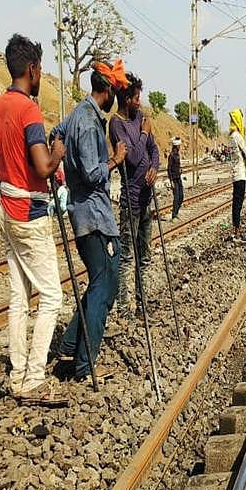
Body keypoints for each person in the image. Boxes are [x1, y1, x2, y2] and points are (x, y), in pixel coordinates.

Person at [0, 34, 67, 404]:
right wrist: (57, 152)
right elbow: (42, 167)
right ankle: (34, 377)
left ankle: (18, 375)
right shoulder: (28, 110)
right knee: (52, 296)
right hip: (30, 212)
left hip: (7, 208)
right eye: (41, 68)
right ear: (33, 69)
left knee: (19, 296)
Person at [49, 59, 128, 383]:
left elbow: (56, 132)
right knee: (104, 285)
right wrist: (115, 160)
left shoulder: (78, 115)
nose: (115, 100)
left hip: (89, 214)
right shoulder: (88, 122)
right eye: (115, 93)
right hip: (93, 216)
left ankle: (70, 345)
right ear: (106, 90)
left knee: (101, 282)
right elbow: (92, 173)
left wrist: (59, 150)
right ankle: (86, 364)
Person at [108, 72, 160, 319]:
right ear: (127, 98)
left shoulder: (140, 118)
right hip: (131, 200)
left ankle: (142, 305)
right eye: (137, 97)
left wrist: (155, 168)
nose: (140, 102)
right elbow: (133, 158)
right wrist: (144, 134)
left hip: (146, 198)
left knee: (145, 256)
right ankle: (123, 309)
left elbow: (154, 151)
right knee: (127, 256)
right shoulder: (117, 124)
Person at [227, 109, 246, 242]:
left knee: (235, 203)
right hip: (240, 174)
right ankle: (236, 232)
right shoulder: (237, 136)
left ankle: (235, 230)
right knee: (238, 204)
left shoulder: (230, 136)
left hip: (234, 174)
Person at [168, 138, 183, 220]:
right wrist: (171, 181)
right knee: (176, 198)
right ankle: (174, 215)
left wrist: (180, 169)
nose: (180, 147)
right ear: (176, 146)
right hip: (174, 179)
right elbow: (169, 169)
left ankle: (176, 213)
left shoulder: (177, 154)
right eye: (179, 145)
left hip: (179, 178)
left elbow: (177, 165)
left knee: (181, 196)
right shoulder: (171, 155)